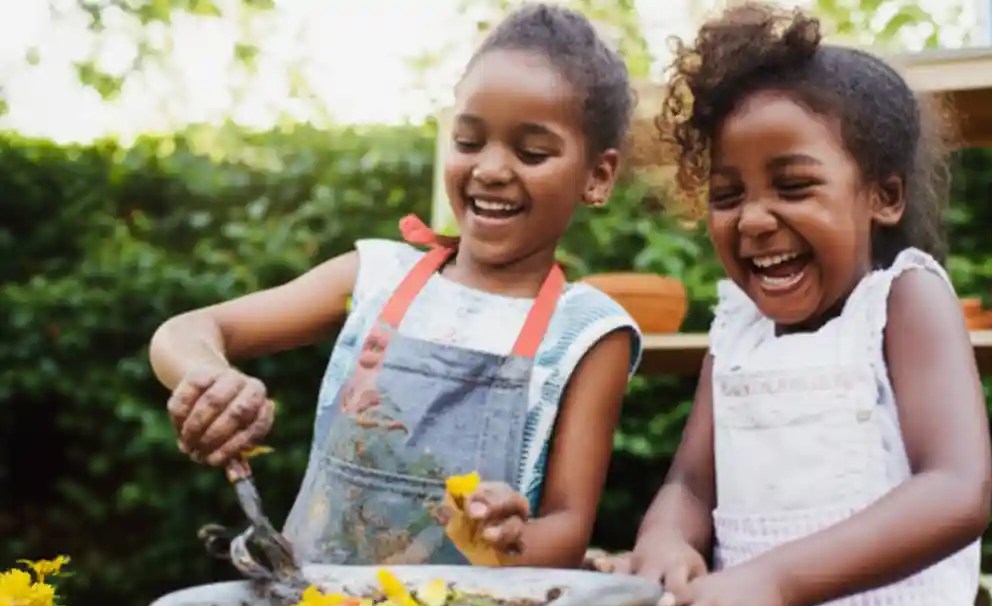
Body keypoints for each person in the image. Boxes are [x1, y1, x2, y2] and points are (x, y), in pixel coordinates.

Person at [149, 4, 641, 569]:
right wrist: (212, 382)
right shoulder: (377, 276)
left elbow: (569, 529)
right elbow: (185, 332)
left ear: (598, 177)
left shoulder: (587, 333)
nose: (491, 169)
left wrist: (508, 538)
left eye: (532, 153)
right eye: (468, 141)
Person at [620, 3, 992, 606]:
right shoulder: (734, 329)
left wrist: (776, 580)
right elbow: (691, 486)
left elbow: (957, 488)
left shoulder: (902, 302)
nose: (755, 218)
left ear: (883, 196)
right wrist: (665, 541)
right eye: (728, 195)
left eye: (793, 187)